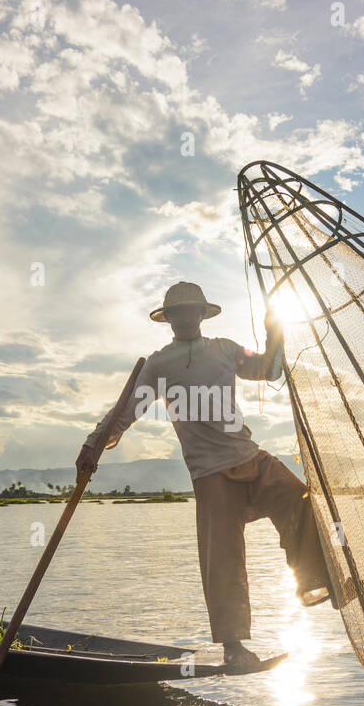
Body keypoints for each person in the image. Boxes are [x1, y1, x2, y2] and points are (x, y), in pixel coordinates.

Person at [76, 281, 333, 669]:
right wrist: (93, 444)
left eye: (190, 310)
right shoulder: (158, 365)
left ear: (201, 314)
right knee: (223, 560)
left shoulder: (224, 349)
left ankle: (314, 580)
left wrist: (274, 328)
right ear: (170, 319)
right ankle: (234, 648)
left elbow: (270, 368)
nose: (185, 318)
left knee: (298, 499)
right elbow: (124, 412)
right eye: (177, 313)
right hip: (209, 472)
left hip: (249, 456)